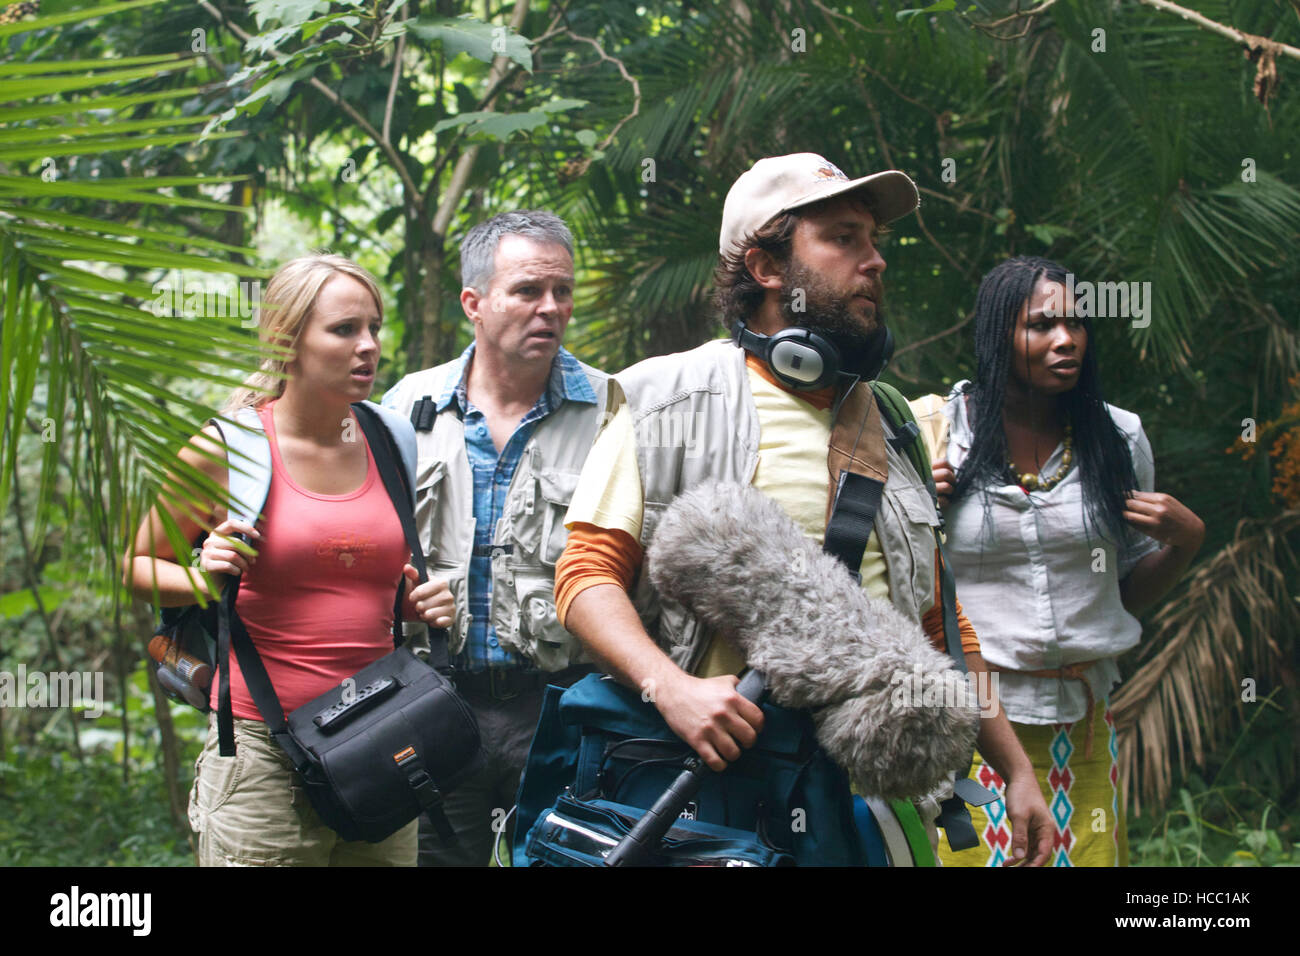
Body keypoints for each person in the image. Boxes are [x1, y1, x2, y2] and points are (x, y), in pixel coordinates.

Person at [553, 153, 1054, 865]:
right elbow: (583, 577)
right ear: (766, 267)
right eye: (844, 238)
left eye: (874, 241)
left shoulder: (893, 422)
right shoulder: (669, 399)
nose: (875, 260)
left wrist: (1017, 768)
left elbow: (940, 620)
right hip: (725, 797)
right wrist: (673, 690)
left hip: (877, 807)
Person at [127, 254, 454, 867]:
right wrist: (202, 577)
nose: (369, 346)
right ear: (287, 339)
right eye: (344, 329)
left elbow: (366, 583)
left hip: (381, 737)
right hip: (262, 755)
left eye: (375, 328)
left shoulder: (391, 438)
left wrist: (414, 605)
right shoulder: (233, 446)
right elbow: (137, 566)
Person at [910, 255, 1205, 866]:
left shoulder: (1118, 440)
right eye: (1041, 326)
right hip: (967, 725)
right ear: (999, 337)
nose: (1065, 339)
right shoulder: (935, 433)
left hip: (1083, 727)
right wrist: (912, 503)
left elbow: (1118, 596)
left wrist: (1188, 542)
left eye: (1076, 324)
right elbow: (893, 580)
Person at [382, 210, 611, 867]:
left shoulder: (612, 409)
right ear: (473, 303)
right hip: (433, 706)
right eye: (528, 291)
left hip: (563, 707)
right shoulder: (404, 410)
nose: (551, 308)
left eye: (562, 291)